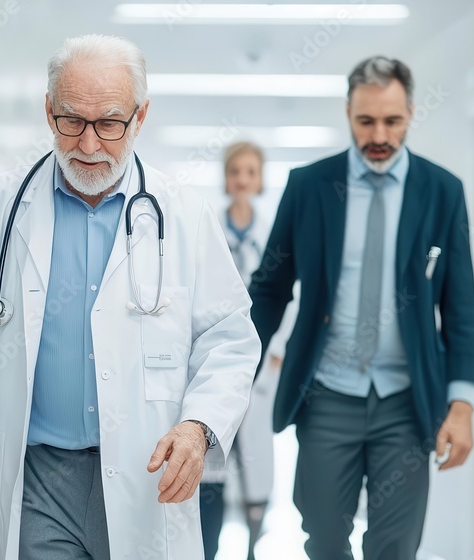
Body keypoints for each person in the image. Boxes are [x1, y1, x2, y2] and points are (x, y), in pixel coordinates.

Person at [0, 34, 260, 560]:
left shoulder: (184, 217)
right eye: (71, 121)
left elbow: (230, 340)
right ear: (48, 111)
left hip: (146, 469)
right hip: (38, 479)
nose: (87, 144)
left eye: (108, 123)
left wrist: (197, 429)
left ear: (140, 116)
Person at [248, 56, 474, 560]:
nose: (379, 135)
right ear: (348, 113)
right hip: (328, 393)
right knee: (325, 539)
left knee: (394, 546)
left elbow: (459, 307)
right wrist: (232, 372)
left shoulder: (442, 192)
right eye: (366, 121)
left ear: (411, 114)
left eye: (392, 121)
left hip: (407, 400)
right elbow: (269, 288)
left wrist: (461, 405)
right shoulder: (310, 186)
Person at [199, 142, 283, 560]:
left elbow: (289, 299)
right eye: (236, 172)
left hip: (261, 374)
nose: (243, 180)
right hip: (216, 368)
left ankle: (253, 548)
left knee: (256, 470)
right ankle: (208, 550)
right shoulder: (207, 231)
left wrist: (277, 353)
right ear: (226, 177)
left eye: (251, 172)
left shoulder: (273, 238)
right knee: (211, 469)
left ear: (260, 178)